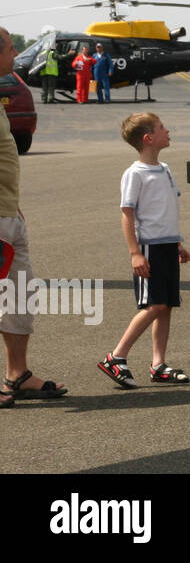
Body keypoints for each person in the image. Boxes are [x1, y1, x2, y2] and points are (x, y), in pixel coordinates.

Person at [98, 113, 190, 388]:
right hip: (148, 247)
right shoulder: (134, 174)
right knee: (154, 304)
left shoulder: (165, 169)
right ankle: (116, 356)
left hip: (166, 245)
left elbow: (165, 211)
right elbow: (127, 214)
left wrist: (177, 243)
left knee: (166, 307)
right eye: (162, 128)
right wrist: (135, 253)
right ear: (148, 138)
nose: (168, 130)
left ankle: (158, 364)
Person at [0, 27, 67, 407]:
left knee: (19, 296)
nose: (16, 53)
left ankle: (17, 374)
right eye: (10, 48)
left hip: (9, 213)